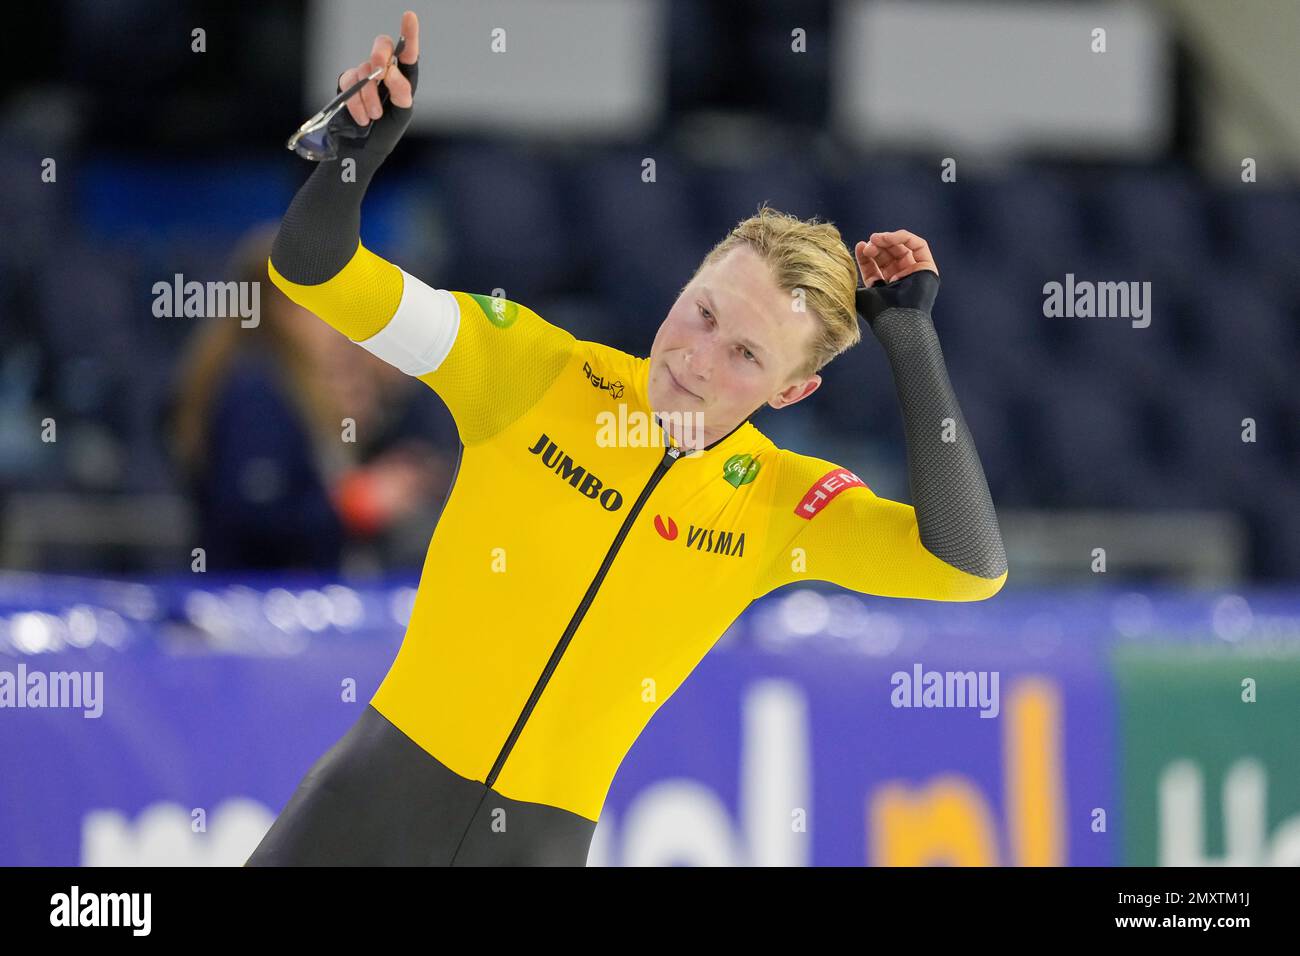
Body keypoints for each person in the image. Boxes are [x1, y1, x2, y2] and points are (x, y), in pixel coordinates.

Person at [246, 11, 1007, 866]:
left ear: (794, 391)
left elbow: (967, 567)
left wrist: (911, 342)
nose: (698, 357)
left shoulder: (775, 504)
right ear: (686, 282)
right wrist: (355, 159)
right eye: (704, 310)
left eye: (747, 355)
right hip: (363, 813)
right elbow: (315, 268)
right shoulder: (530, 368)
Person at [165, 224, 450, 573]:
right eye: (325, 303)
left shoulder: (295, 385)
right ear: (283, 309)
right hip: (251, 607)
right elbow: (254, 516)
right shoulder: (255, 392)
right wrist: (356, 504)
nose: (338, 321)